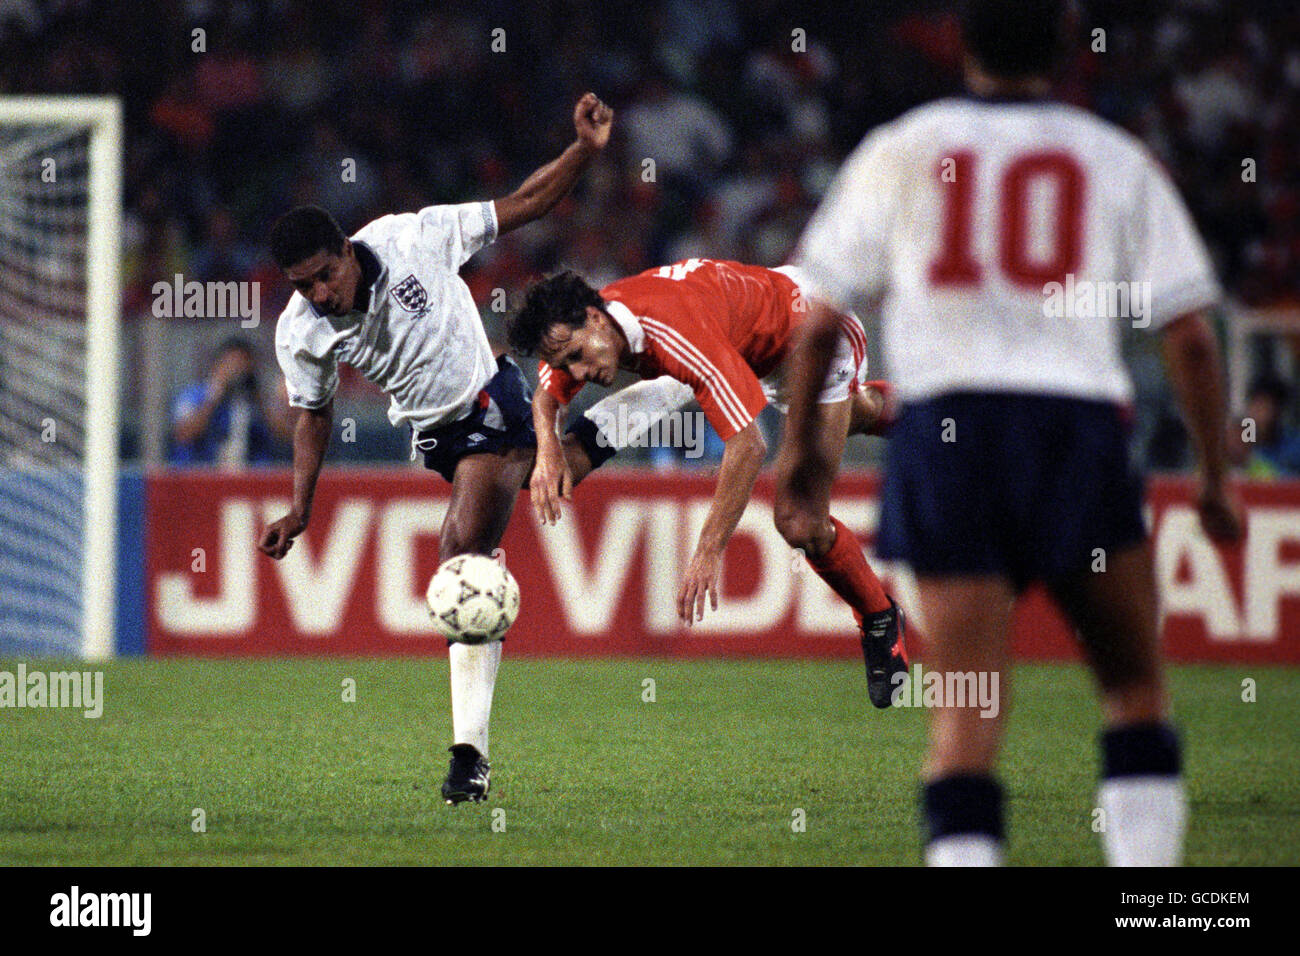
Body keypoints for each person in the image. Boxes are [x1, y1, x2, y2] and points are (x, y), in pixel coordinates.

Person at [776, 0, 1243, 866]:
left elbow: (813, 327)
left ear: (961, 44)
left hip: (948, 432)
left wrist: (802, 453)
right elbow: (1189, 334)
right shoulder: (1113, 158)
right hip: (1073, 428)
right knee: (1136, 690)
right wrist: (1214, 476)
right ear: (1066, 49)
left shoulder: (903, 149)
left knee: (965, 717)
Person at [257, 93, 681, 805]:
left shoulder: (413, 237)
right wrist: (299, 507)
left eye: (325, 275)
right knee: (558, 473)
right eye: (302, 286)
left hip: (491, 396)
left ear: (344, 249)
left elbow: (528, 202)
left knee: (463, 550)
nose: (320, 294)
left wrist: (584, 150)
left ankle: (467, 760)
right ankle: (671, 392)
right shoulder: (302, 331)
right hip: (435, 436)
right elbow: (314, 415)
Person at [507, 258, 909, 707]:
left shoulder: (674, 332)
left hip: (812, 336)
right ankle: (917, 416)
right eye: (567, 362)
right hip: (741, 340)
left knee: (799, 521)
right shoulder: (584, 329)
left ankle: (878, 616)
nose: (578, 373)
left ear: (597, 318)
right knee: (565, 461)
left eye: (578, 357)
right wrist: (547, 451)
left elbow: (748, 445)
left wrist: (708, 549)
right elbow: (548, 392)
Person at [170, 336, 292, 466]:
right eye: (232, 366)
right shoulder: (195, 395)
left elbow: (285, 436)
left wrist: (259, 400)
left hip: (251, 474)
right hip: (203, 470)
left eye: (243, 367)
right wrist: (215, 395)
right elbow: (183, 434)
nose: (237, 372)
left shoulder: (258, 400)